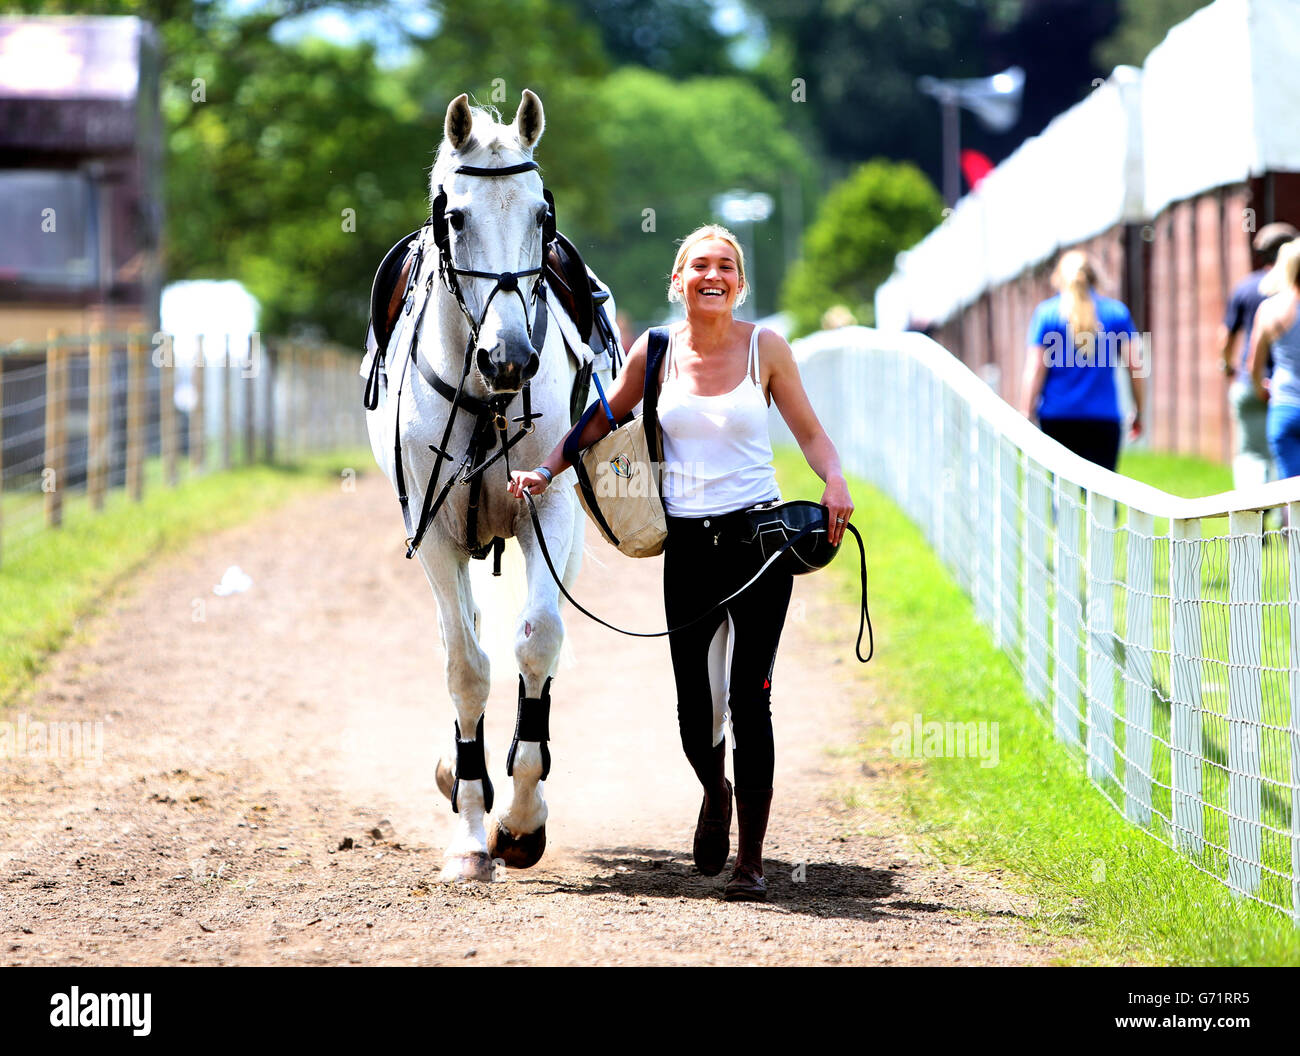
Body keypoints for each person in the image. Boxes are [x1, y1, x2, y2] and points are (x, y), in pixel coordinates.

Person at [506, 224, 853, 902]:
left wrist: (833, 479)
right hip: (690, 551)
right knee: (697, 715)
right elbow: (604, 415)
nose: (712, 275)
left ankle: (751, 861)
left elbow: (811, 434)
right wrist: (548, 469)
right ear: (679, 279)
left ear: (740, 283)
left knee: (752, 700)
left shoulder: (767, 350)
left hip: (760, 545)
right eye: (700, 266)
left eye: (726, 266)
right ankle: (713, 787)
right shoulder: (657, 351)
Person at [1019, 250, 1145, 471]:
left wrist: (1026, 412)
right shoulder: (1116, 314)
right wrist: (1139, 410)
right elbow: (1136, 366)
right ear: (1094, 277)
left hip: (1057, 417)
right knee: (1102, 498)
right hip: (1103, 418)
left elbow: (1035, 368)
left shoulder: (1047, 314)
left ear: (1058, 278)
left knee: (1062, 496)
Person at [1219, 223, 1299, 493]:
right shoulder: (1289, 292)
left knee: (1252, 455)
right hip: (1288, 388)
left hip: (1253, 383)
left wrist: (1228, 366)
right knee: (1285, 463)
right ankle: (1284, 524)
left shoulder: (1246, 288)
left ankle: (1251, 526)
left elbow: (1226, 338)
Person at [1250, 239, 1300, 481]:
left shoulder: (1270, 309)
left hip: (1285, 405)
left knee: (1291, 490)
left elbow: (1254, 364)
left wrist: (1261, 389)